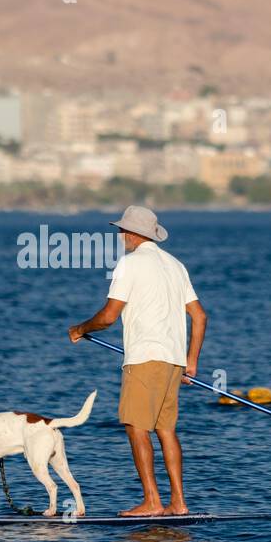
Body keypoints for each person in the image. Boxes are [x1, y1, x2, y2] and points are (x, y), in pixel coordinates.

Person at [68, 206, 206, 516]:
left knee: (135, 427)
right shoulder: (175, 265)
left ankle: (153, 502)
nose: (120, 237)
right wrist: (191, 362)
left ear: (133, 234)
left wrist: (79, 329)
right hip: (172, 362)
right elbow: (199, 316)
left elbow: (108, 317)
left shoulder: (129, 265)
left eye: (122, 231)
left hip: (145, 359)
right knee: (165, 430)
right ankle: (179, 503)